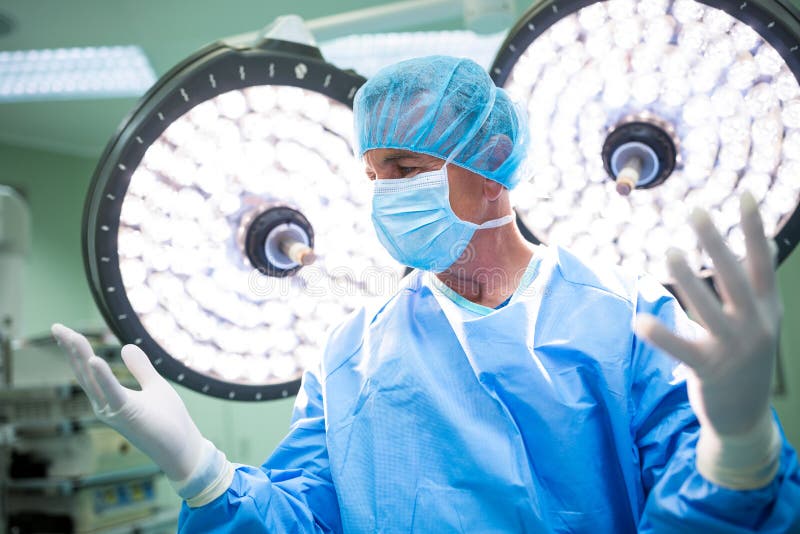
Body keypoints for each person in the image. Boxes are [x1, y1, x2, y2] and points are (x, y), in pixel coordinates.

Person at [52, 56, 799, 533]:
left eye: (407, 167)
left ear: (495, 160)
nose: (386, 196)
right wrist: (201, 471)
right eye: (374, 176)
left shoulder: (629, 321)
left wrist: (740, 450)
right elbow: (304, 519)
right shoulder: (353, 354)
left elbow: (710, 508)